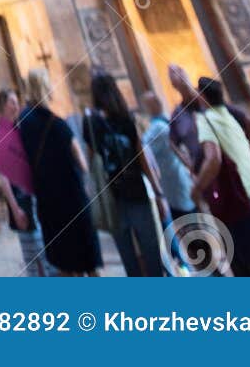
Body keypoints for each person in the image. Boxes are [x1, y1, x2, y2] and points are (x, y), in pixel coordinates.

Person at [17, 68, 101, 276]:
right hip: (71, 195)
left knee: (63, 259)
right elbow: (80, 159)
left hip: (46, 197)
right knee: (86, 258)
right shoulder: (56, 123)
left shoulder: (23, 121)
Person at [193, 75, 250, 276]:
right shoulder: (231, 115)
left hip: (240, 199)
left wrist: (196, 189)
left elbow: (213, 159)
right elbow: (249, 125)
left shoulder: (206, 119)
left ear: (203, 96)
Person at [82, 72, 165, 276]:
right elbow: (142, 158)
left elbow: (91, 162)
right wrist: (158, 193)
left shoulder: (90, 123)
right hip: (136, 191)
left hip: (112, 198)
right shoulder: (128, 118)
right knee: (151, 253)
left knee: (128, 259)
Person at [0, 88, 50, 276]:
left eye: (17, 101)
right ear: (3, 106)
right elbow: (3, 174)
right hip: (20, 199)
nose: (16, 105)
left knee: (47, 254)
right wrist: (15, 208)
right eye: (11, 102)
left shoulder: (23, 126)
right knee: (32, 256)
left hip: (35, 196)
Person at [142, 90, 196, 227]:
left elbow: (143, 149)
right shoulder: (163, 121)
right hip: (177, 179)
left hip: (174, 182)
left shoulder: (158, 127)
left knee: (188, 228)